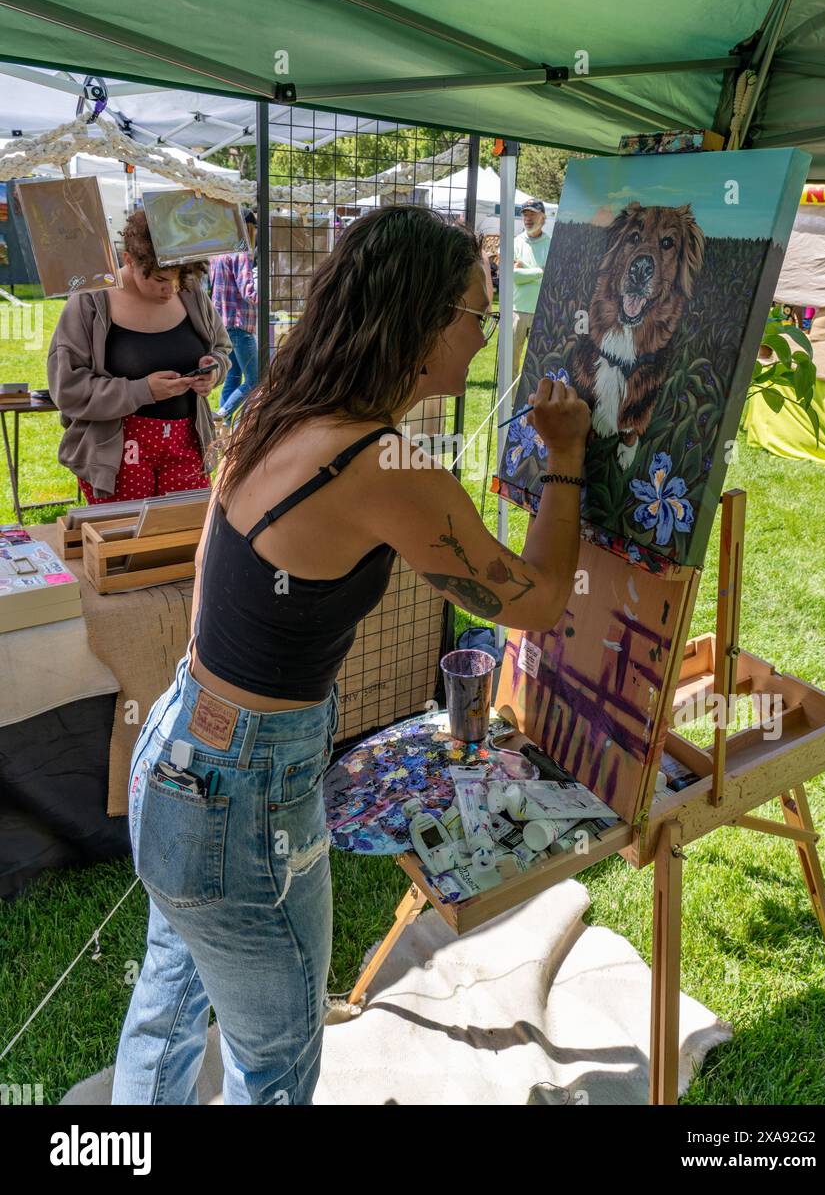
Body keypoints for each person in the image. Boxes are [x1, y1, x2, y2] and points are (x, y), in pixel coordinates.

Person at [112, 204, 590, 1105]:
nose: (486, 342)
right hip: (243, 794)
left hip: (180, 751)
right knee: (279, 1064)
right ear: (419, 322)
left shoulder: (281, 405)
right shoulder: (382, 463)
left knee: (168, 1009)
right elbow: (540, 602)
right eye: (478, 317)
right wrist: (565, 461)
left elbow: (213, 595)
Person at [47, 208, 231, 504]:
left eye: (178, 279)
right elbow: (67, 389)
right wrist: (140, 391)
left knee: (182, 540)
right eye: (159, 279)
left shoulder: (191, 293)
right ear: (129, 260)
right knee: (126, 545)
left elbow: (221, 349)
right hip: (116, 451)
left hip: (187, 443)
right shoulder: (90, 301)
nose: (170, 290)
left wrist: (213, 370)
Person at [209, 242, 259, 422]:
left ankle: (225, 432)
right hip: (240, 324)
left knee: (234, 377)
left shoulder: (218, 253)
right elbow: (249, 293)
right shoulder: (241, 253)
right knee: (257, 379)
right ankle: (223, 414)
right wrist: (274, 292)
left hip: (223, 324)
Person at [512, 197, 551, 379]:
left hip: (542, 312)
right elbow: (513, 276)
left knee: (540, 365)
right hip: (516, 312)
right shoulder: (515, 242)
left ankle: (534, 404)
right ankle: (509, 405)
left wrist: (525, 269)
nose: (528, 218)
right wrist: (540, 271)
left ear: (543, 218)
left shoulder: (551, 243)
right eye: (525, 214)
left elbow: (551, 277)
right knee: (511, 364)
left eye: (532, 214)